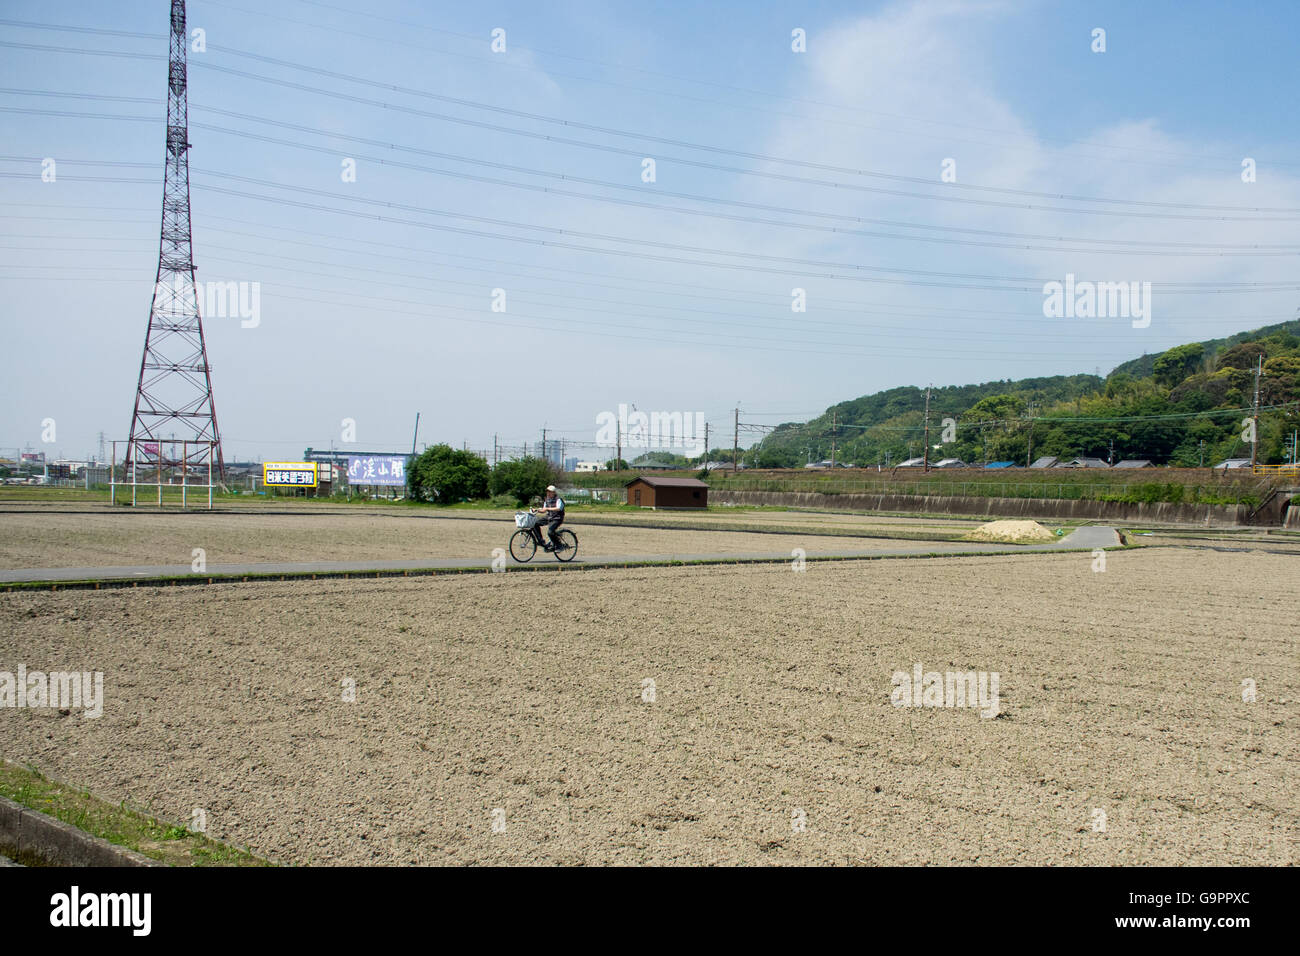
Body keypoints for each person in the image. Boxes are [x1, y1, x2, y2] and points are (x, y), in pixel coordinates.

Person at [531, 485, 566, 551]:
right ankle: (541, 541)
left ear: (554, 492)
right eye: (547, 491)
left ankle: (559, 546)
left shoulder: (558, 499)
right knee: (535, 524)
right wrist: (537, 510)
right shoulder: (547, 499)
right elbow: (544, 510)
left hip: (557, 518)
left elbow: (559, 508)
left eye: (550, 492)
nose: (548, 493)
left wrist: (548, 508)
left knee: (550, 532)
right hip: (549, 517)